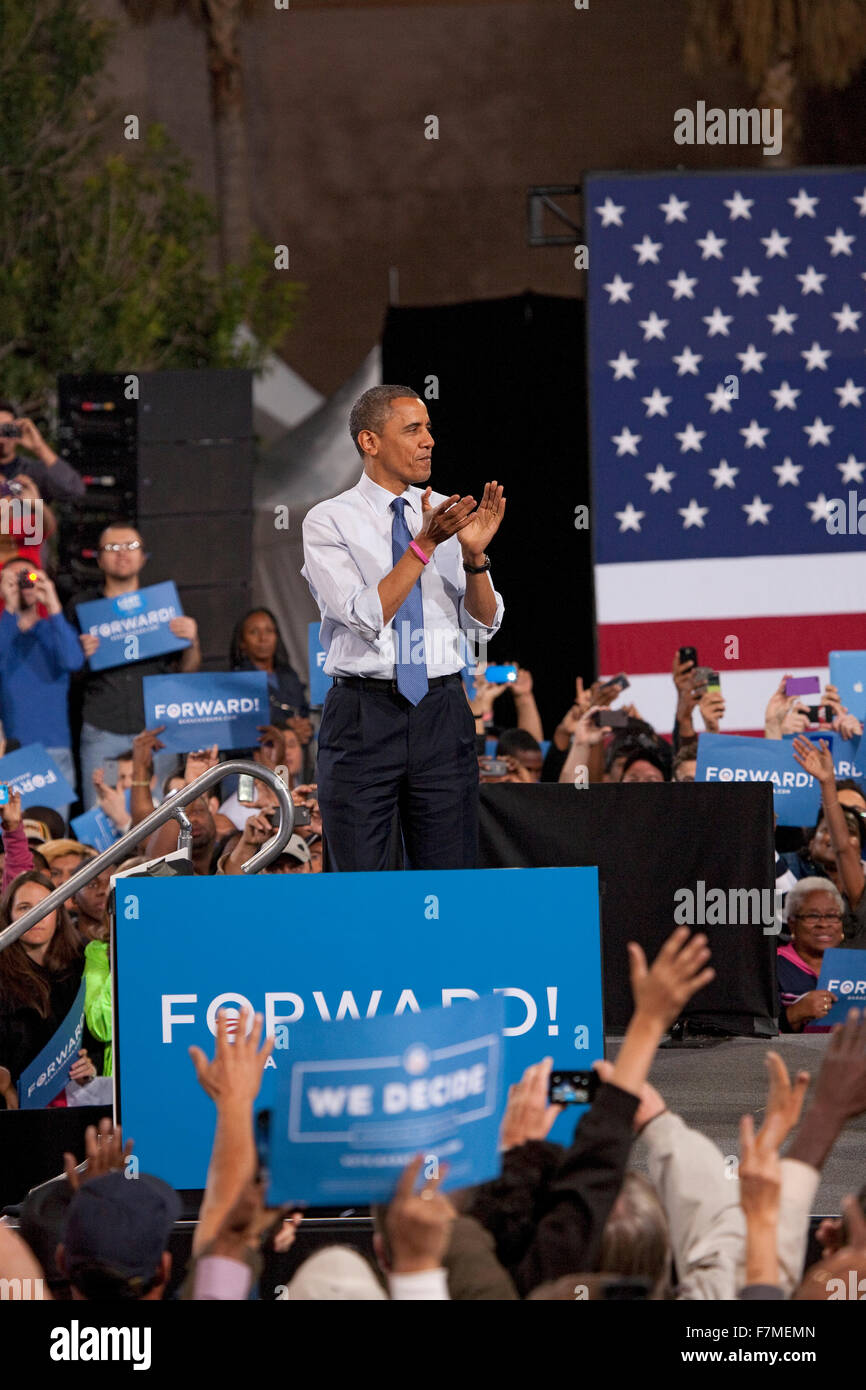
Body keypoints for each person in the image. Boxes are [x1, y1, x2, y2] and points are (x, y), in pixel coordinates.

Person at [302, 385, 505, 871]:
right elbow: (365, 614)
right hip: (362, 715)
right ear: (369, 442)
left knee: (449, 875)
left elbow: (481, 628)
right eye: (413, 430)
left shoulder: (446, 514)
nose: (428, 441)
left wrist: (475, 557)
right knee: (361, 882)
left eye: (429, 429)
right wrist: (424, 545)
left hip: (442, 711)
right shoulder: (328, 521)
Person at [66, 521, 201, 808]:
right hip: (102, 727)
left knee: (161, 814)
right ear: (100, 559)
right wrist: (77, 654)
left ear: (143, 557)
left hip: (154, 730)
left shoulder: (163, 607)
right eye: (113, 548)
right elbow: (67, 675)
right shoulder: (81, 607)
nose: (122, 553)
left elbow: (187, 670)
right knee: (101, 815)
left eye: (131, 547)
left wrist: (192, 640)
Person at [0, 870, 98, 1107]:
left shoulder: (82, 962)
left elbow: (97, 1036)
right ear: (9, 916)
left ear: (59, 914)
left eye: (45, 905)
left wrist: (90, 1064)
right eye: (24, 907)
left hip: (75, 1103)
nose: (36, 915)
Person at [0, 559, 83, 805]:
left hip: (55, 749)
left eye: (31, 577)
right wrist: (9, 608)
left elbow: (74, 660)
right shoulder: (4, 632)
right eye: (16, 579)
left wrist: (53, 604)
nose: (25, 583)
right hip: (8, 752)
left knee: (55, 840)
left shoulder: (54, 631)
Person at [229, 607, 313, 749]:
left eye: (269, 631)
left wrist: (306, 729)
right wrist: (286, 729)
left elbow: (303, 713)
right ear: (242, 642)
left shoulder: (289, 675)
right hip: (258, 762)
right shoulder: (236, 682)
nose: (263, 638)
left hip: (295, 761)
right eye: (254, 632)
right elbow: (240, 731)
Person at [777, 877, 845, 1032]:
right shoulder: (773, 967)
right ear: (792, 923)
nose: (823, 924)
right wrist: (794, 1013)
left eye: (832, 916)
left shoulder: (857, 966)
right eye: (812, 916)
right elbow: (754, 1034)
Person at [0, 401, 84, 502]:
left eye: (7, 430)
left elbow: (75, 490)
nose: (2, 438)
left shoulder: (32, 471)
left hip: (28, 515)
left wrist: (40, 447)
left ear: (17, 430)